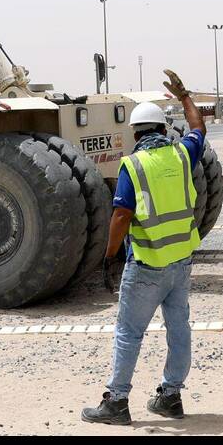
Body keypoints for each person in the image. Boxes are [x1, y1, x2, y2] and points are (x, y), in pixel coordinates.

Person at [82, 69, 204, 426]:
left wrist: (109, 257)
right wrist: (184, 97)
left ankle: (117, 402)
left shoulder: (133, 165)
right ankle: (171, 396)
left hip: (148, 263)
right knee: (178, 329)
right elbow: (198, 129)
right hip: (180, 261)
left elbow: (121, 215)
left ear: (134, 133)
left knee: (129, 333)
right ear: (163, 130)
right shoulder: (182, 155)